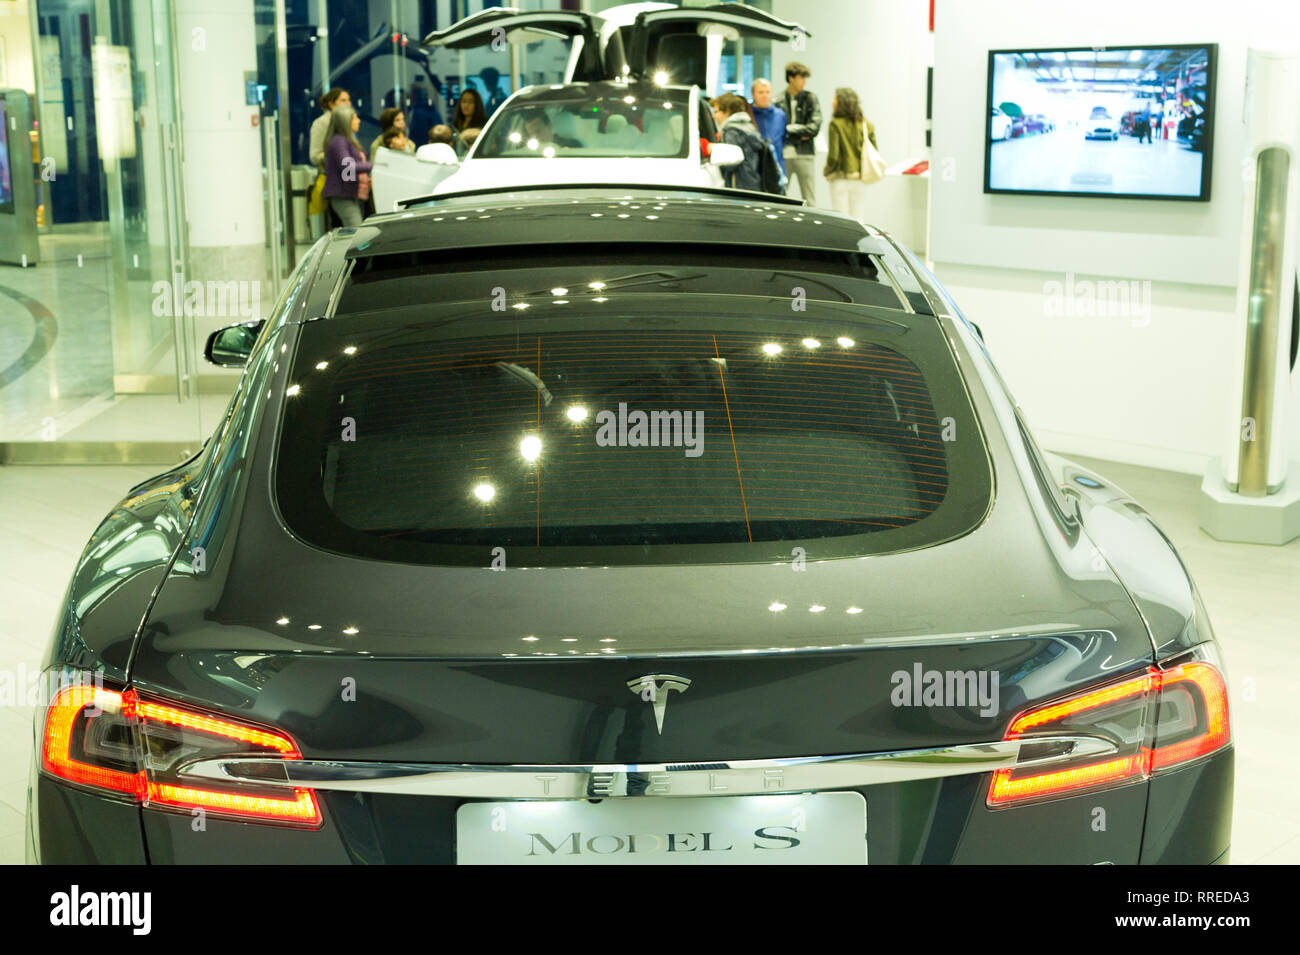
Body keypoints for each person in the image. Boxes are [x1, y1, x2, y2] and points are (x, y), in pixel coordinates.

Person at [823, 87, 876, 224]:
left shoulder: (835, 124)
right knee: (858, 217)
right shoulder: (866, 124)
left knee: (840, 218)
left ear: (841, 103)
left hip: (840, 177)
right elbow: (874, 149)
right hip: (859, 178)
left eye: (835, 99)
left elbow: (833, 155)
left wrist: (827, 170)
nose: (832, 102)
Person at [778, 62, 823, 204]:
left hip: (805, 152)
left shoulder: (811, 99)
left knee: (809, 197)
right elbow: (778, 129)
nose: (804, 82)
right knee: (780, 194)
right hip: (784, 152)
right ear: (791, 78)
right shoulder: (777, 100)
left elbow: (814, 128)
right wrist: (800, 132)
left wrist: (790, 129)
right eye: (801, 77)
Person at [322, 105, 372, 228]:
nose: (358, 121)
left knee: (355, 234)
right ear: (346, 122)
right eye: (355, 118)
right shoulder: (339, 141)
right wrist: (372, 166)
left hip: (351, 195)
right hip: (343, 195)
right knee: (355, 234)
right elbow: (347, 166)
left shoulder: (347, 140)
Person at [711, 93, 767, 192]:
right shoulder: (748, 127)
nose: (713, 116)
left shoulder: (731, 131)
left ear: (727, 112)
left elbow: (730, 163)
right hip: (752, 182)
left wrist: (712, 152)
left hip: (738, 185)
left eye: (716, 111)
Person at [750, 78, 788, 181]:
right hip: (754, 170)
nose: (765, 95)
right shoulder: (748, 115)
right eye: (761, 92)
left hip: (776, 169)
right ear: (753, 95)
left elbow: (783, 139)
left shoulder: (780, 115)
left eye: (767, 92)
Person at [452, 88, 488, 155]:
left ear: (477, 105)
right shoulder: (456, 122)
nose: (466, 105)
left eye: (471, 102)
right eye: (464, 101)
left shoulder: (484, 123)